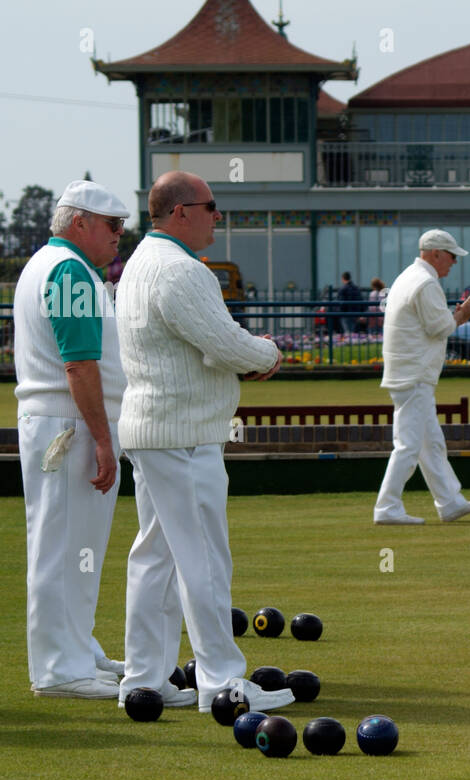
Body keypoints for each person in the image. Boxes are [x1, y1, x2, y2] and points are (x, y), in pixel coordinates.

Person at [114, 170, 295, 714]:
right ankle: (221, 680)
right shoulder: (181, 271)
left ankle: (145, 678)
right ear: (180, 212)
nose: (219, 215)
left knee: (157, 557)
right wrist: (268, 354)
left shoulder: (141, 264)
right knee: (204, 560)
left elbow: (204, 345)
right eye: (212, 206)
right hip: (184, 435)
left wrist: (237, 352)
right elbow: (225, 344)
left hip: (154, 430)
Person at [14, 180, 130, 699]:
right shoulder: (69, 272)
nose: (119, 236)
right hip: (70, 424)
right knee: (64, 547)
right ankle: (62, 668)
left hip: (65, 422)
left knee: (73, 545)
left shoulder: (59, 265)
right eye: (112, 225)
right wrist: (104, 441)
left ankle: (75, 648)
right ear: (80, 222)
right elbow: (79, 364)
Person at [373, 229, 470, 524]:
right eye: (451, 256)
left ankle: (449, 502)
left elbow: (433, 324)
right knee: (409, 444)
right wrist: (463, 315)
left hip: (409, 373)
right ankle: (387, 507)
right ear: (435, 253)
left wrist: (456, 315)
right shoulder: (425, 282)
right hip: (414, 375)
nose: (453, 263)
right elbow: (440, 328)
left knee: (429, 442)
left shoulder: (410, 277)